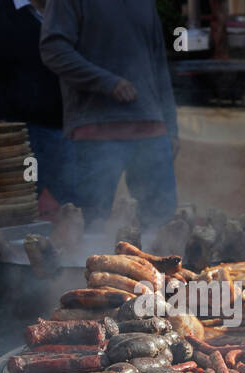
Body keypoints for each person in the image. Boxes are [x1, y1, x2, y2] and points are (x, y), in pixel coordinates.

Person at [38, 0, 179, 232]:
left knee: (161, 221)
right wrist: (108, 83)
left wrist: (171, 127)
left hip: (151, 130)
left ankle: (160, 268)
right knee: (91, 224)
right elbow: (54, 50)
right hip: (94, 131)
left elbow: (159, 65)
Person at [0, 0, 74, 207]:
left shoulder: (60, 11)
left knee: (70, 200)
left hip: (64, 128)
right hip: (25, 135)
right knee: (29, 193)